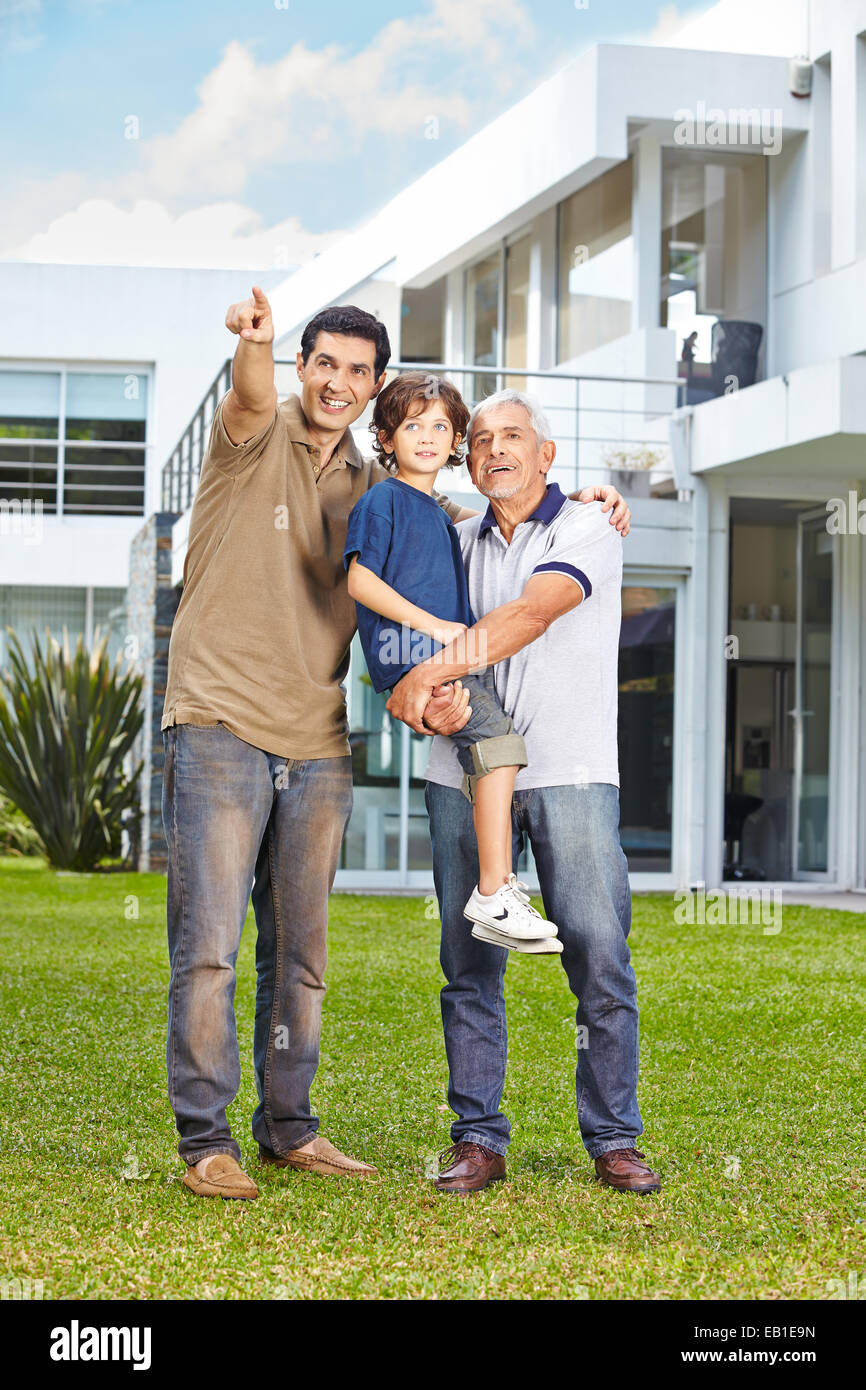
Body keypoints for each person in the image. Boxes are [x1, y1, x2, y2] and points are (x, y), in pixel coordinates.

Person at [161, 285, 631, 1201]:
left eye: (359, 370)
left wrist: (596, 494)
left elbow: (478, 534)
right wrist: (251, 347)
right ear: (304, 369)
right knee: (211, 946)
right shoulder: (255, 430)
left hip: (320, 735)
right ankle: (205, 1140)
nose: (339, 383)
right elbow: (253, 395)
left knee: (301, 954)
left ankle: (290, 1127)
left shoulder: (385, 492)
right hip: (218, 717)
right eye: (324, 364)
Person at [386, 389, 660, 1197]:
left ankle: (613, 1138)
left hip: (570, 772)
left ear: (546, 456)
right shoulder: (453, 538)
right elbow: (405, 626)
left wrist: (430, 674)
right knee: (467, 962)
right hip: (460, 777)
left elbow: (536, 612)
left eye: (513, 436)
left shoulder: (586, 527)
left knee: (599, 956)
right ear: (468, 462)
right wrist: (427, 694)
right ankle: (477, 1140)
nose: (493, 448)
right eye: (479, 439)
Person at [345, 372, 561, 953]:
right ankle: (495, 891)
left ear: (456, 442)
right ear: (385, 438)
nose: (427, 437)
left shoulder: (440, 513)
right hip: (418, 656)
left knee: (488, 749)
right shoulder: (383, 499)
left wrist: (587, 495)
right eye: (412, 425)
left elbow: (512, 507)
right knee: (498, 743)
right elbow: (359, 579)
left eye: (441, 426)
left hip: (440, 660)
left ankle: (496, 887)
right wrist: (434, 627)